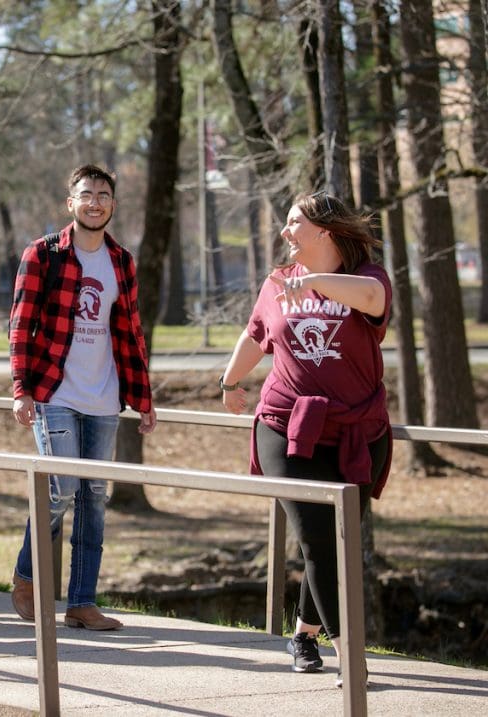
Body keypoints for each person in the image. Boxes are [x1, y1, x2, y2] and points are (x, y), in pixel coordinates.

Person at [219, 192, 391, 684]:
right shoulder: (277, 284)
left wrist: (315, 282)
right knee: (319, 540)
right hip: (287, 428)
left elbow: (373, 303)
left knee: (336, 544)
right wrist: (231, 383)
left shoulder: (369, 280)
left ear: (327, 231)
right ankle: (351, 659)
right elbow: (256, 335)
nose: (284, 232)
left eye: (294, 223)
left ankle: (302, 634)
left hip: (358, 432)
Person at [9, 164, 156, 631]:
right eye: (87, 194)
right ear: (70, 203)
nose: (95, 201)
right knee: (60, 488)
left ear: (113, 204)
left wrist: (143, 397)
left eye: (104, 194)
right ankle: (27, 576)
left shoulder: (121, 262)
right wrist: (20, 389)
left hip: (104, 399)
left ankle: (81, 601)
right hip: (54, 392)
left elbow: (130, 334)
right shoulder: (43, 255)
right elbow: (19, 326)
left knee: (95, 499)